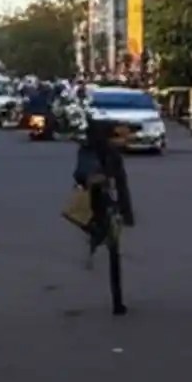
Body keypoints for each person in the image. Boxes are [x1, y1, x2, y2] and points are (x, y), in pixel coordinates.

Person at [73, 120, 134, 316]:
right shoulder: (98, 153)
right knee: (113, 253)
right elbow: (120, 183)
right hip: (103, 205)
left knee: (113, 252)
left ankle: (118, 301)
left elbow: (121, 182)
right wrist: (126, 211)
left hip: (104, 206)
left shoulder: (97, 152)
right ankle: (118, 301)